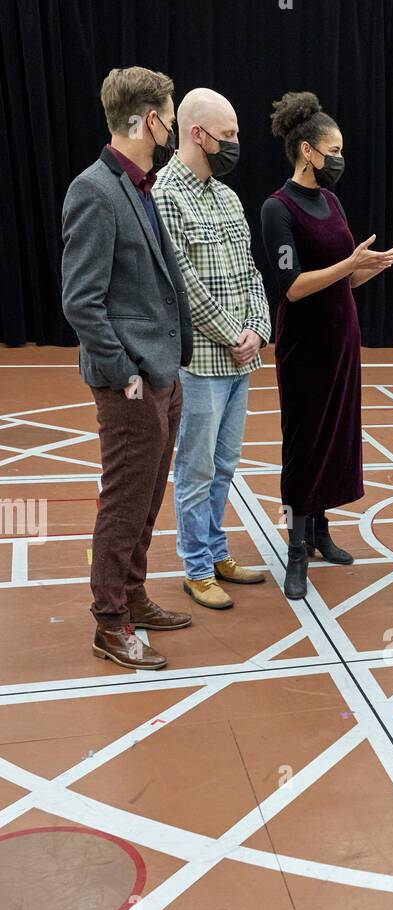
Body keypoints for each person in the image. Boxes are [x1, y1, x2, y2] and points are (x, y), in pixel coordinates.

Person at [260, 90, 393, 599]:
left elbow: (347, 278)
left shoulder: (332, 200)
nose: (340, 159)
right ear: (307, 151)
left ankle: (320, 533)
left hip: (343, 339)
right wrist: (349, 265)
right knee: (303, 441)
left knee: (336, 437)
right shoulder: (277, 209)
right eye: (333, 149)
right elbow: (294, 286)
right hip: (304, 346)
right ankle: (296, 549)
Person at [62, 66, 193, 671]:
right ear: (148, 120)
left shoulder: (138, 185)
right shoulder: (94, 190)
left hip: (163, 375)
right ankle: (109, 623)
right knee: (123, 501)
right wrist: (126, 372)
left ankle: (133, 595)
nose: (173, 125)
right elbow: (80, 301)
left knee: (145, 496)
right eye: (168, 114)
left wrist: (173, 363)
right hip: (132, 381)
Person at [153, 88, 272, 611]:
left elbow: (250, 271)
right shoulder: (162, 195)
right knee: (196, 470)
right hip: (200, 364)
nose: (236, 144)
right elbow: (181, 284)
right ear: (197, 134)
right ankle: (196, 568)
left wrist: (259, 328)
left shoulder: (228, 197)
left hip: (241, 358)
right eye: (229, 135)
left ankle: (217, 551)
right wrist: (233, 333)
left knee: (224, 465)